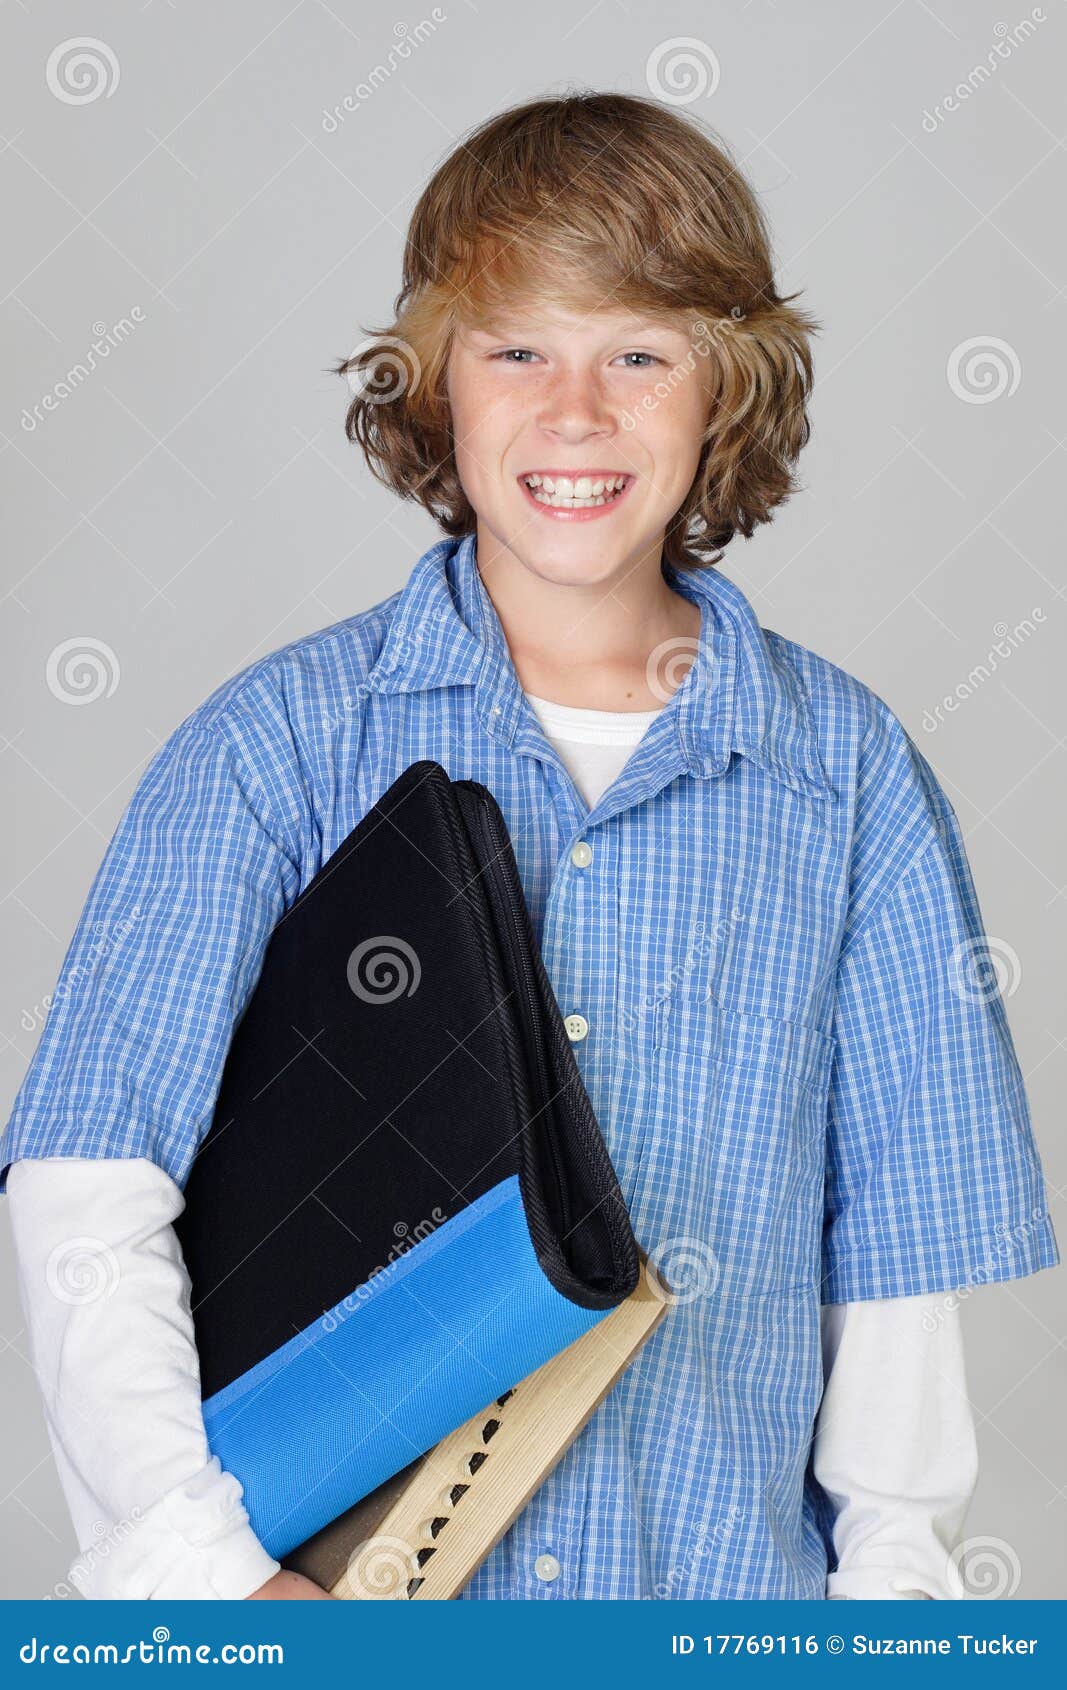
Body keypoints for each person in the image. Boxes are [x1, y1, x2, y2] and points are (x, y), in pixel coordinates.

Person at [1, 91, 1058, 1602]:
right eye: (517, 350)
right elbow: (87, 1179)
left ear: (727, 390)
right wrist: (219, 1584)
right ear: (434, 385)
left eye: (640, 351)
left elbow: (893, 1261)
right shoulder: (272, 748)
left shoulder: (851, 776)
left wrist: (890, 1602)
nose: (577, 412)